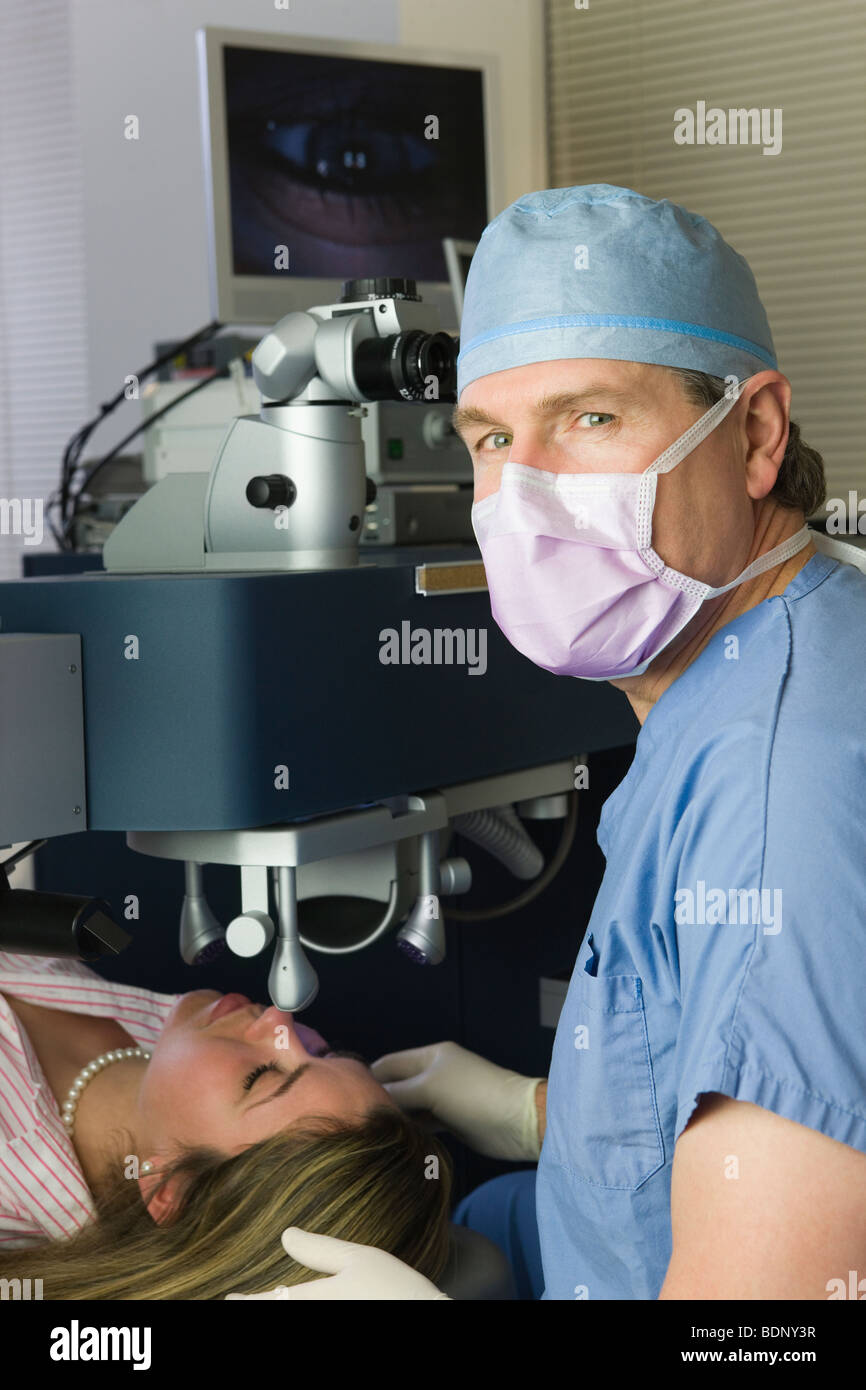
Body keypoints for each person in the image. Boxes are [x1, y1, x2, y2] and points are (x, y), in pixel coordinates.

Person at [236, 184, 866, 1301]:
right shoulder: (755, 667)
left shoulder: (775, 799)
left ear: (755, 434)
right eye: (489, 436)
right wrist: (545, 1115)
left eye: (589, 419)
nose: (525, 493)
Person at [0, 950, 453, 1298]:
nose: (280, 1019)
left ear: (168, 1188)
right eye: (323, 1052)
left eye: (260, 1077)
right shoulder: (167, 1042)